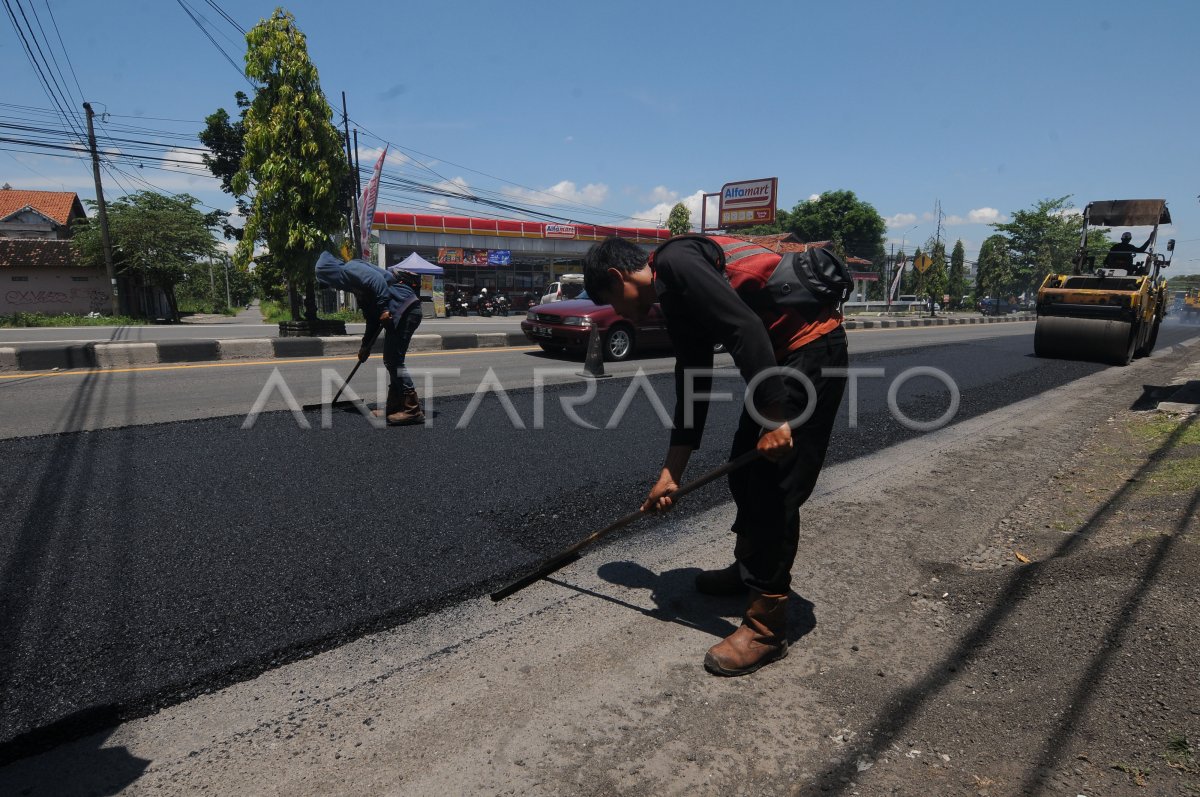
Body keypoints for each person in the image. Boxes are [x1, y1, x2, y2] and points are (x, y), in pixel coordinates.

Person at [582, 235, 847, 677]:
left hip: (812, 350)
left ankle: (766, 627)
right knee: (744, 474)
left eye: (614, 302)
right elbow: (693, 380)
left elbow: (745, 328)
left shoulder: (676, 261)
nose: (622, 315)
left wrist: (776, 416)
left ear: (617, 276)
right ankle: (749, 570)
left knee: (772, 488)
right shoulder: (675, 298)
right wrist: (672, 472)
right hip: (779, 362)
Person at [315, 251, 424, 425]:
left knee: (393, 360)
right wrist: (365, 346)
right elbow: (372, 320)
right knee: (392, 360)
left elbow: (378, 281)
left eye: (329, 282)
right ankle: (395, 406)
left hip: (405, 309)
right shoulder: (356, 288)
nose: (333, 287)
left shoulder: (351, 268)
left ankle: (412, 409)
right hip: (399, 312)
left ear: (330, 274)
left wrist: (383, 309)